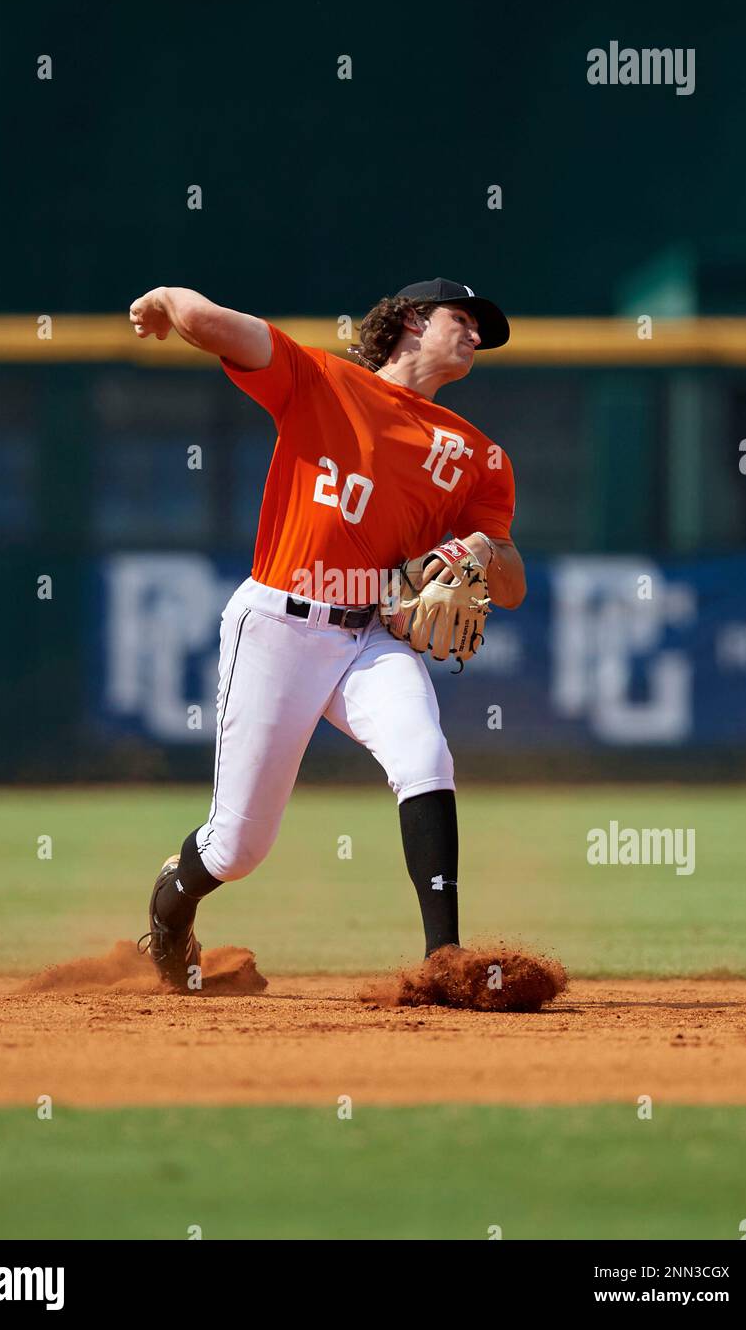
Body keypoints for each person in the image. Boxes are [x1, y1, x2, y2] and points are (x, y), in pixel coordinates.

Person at [129, 277, 526, 990]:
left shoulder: (475, 454)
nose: (475, 336)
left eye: (481, 331)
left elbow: (513, 583)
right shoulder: (320, 380)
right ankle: (170, 913)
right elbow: (224, 325)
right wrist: (165, 300)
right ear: (411, 319)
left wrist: (481, 552)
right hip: (277, 625)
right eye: (462, 319)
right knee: (239, 846)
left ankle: (445, 959)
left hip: (370, 633)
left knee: (425, 754)